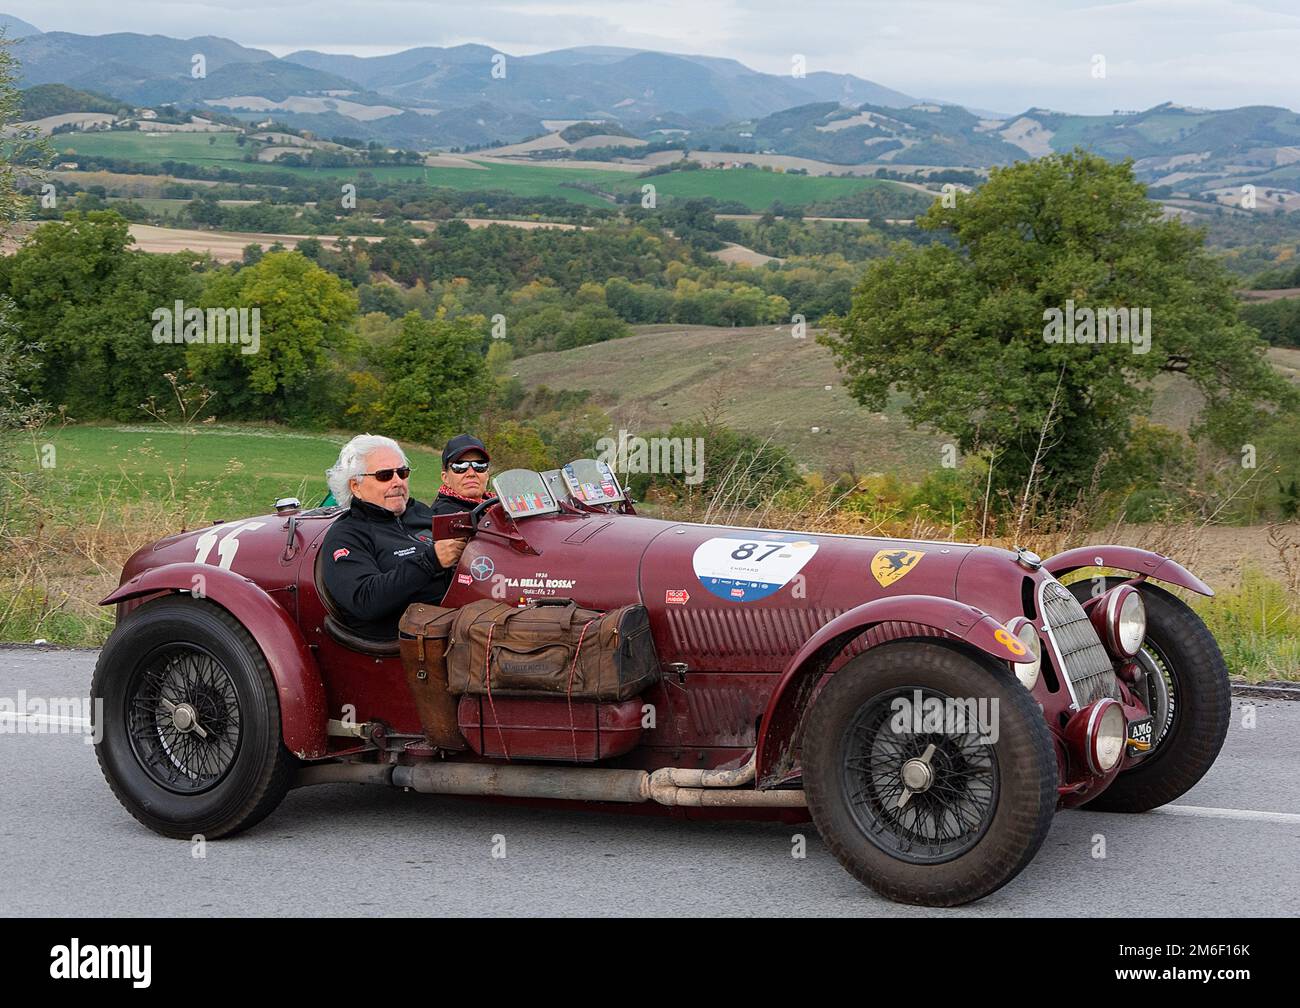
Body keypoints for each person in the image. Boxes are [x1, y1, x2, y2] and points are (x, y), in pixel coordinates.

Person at [319, 435, 469, 641]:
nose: (398, 482)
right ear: (355, 486)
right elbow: (365, 600)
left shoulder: (420, 512)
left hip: (458, 619)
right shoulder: (347, 535)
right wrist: (431, 560)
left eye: (402, 473)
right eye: (385, 475)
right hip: (410, 642)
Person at [432, 433, 492, 516]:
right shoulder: (446, 516)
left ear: (487, 475)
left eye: (479, 465)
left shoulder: (498, 505)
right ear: (445, 478)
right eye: (460, 466)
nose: (471, 473)